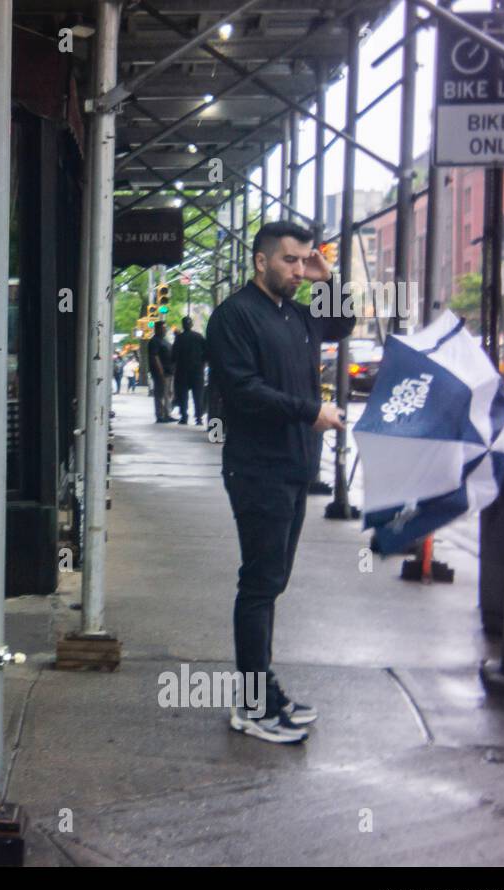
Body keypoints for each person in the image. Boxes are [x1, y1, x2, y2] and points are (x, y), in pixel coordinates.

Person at [205, 221, 353, 745]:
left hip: (293, 468)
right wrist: (309, 411)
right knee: (260, 584)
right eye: (290, 260)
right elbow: (243, 391)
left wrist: (327, 276)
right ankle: (251, 705)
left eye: (303, 260)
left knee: (272, 583)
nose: (297, 269)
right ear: (261, 260)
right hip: (257, 468)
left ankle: (264, 692)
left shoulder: (296, 314)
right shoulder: (233, 316)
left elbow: (343, 323)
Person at [171, 315, 208, 425]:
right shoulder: (199, 337)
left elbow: (173, 355)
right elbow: (207, 351)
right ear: (191, 324)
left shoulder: (179, 338)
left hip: (182, 371)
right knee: (198, 396)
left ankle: (184, 416)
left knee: (183, 396)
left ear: (183, 325)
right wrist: (203, 363)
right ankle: (198, 418)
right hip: (197, 371)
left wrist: (173, 366)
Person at [149, 321, 174, 422]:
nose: (165, 330)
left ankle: (167, 414)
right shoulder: (154, 341)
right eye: (163, 328)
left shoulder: (164, 340)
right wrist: (161, 371)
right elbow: (155, 357)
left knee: (167, 394)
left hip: (168, 371)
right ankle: (160, 415)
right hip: (161, 372)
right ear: (157, 329)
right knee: (160, 394)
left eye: (165, 328)